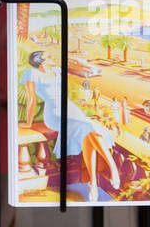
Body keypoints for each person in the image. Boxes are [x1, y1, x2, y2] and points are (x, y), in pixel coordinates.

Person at [22, 49, 121, 203]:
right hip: (54, 114)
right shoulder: (32, 74)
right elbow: (31, 100)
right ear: (41, 61)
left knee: (89, 133)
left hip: (71, 109)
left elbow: (77, 67)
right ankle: (112, 167)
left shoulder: (57, 70)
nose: (52, 56)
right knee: (90, 128)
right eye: (48, 55)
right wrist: (28, 122)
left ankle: (93, 183)